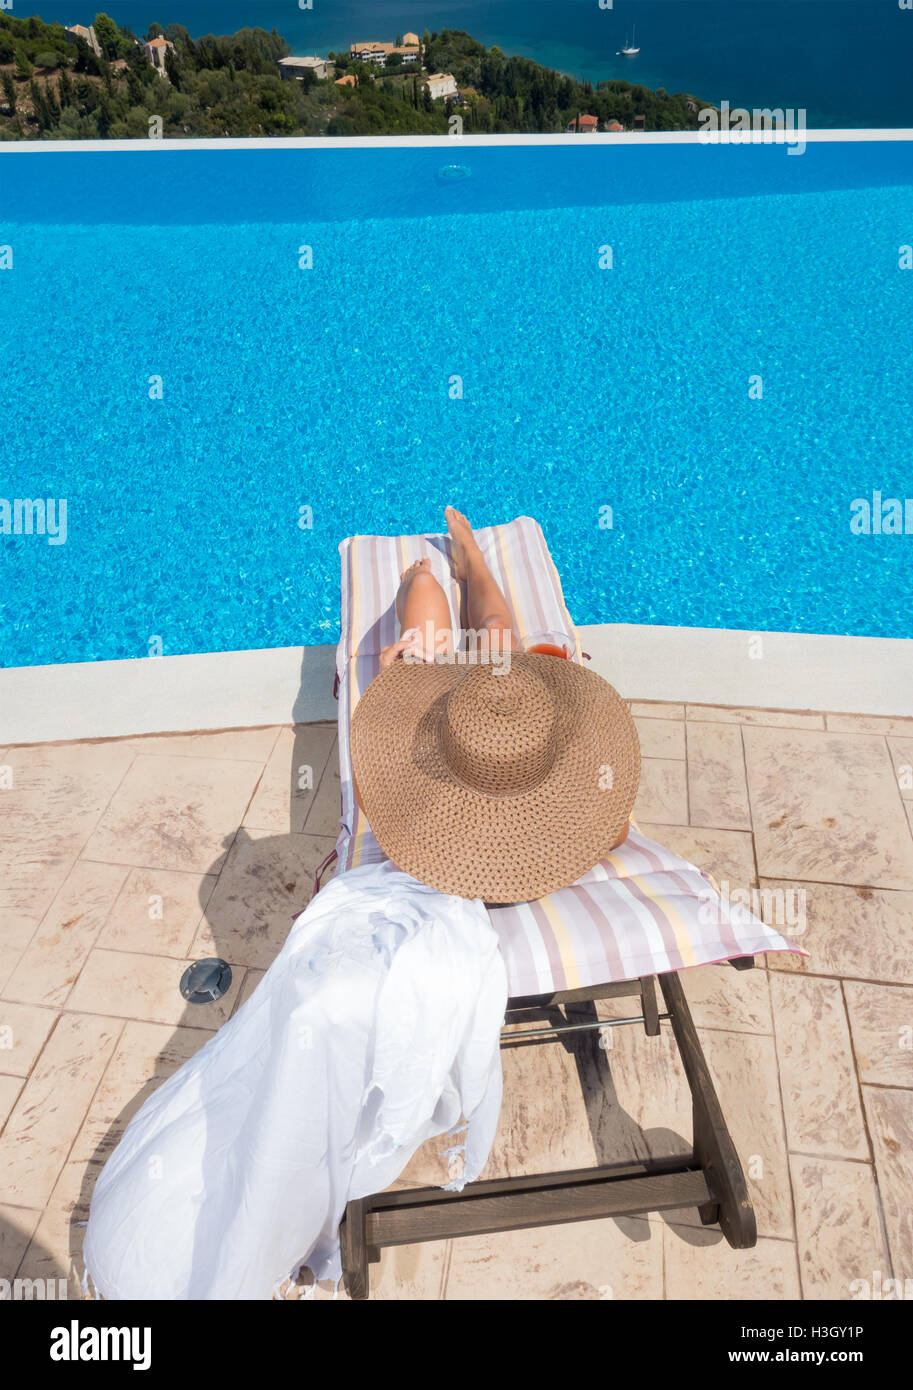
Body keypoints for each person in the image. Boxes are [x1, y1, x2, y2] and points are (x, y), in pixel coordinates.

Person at [350, 508, 640, 904]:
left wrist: (390, 685)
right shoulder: (572, 836)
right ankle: (472, 560)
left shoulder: (418, 839)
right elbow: (617, 830)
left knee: (425, 641)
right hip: (485, 729)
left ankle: (420, 582)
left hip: (451, 745)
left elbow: (373, 777)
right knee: (497, 635)